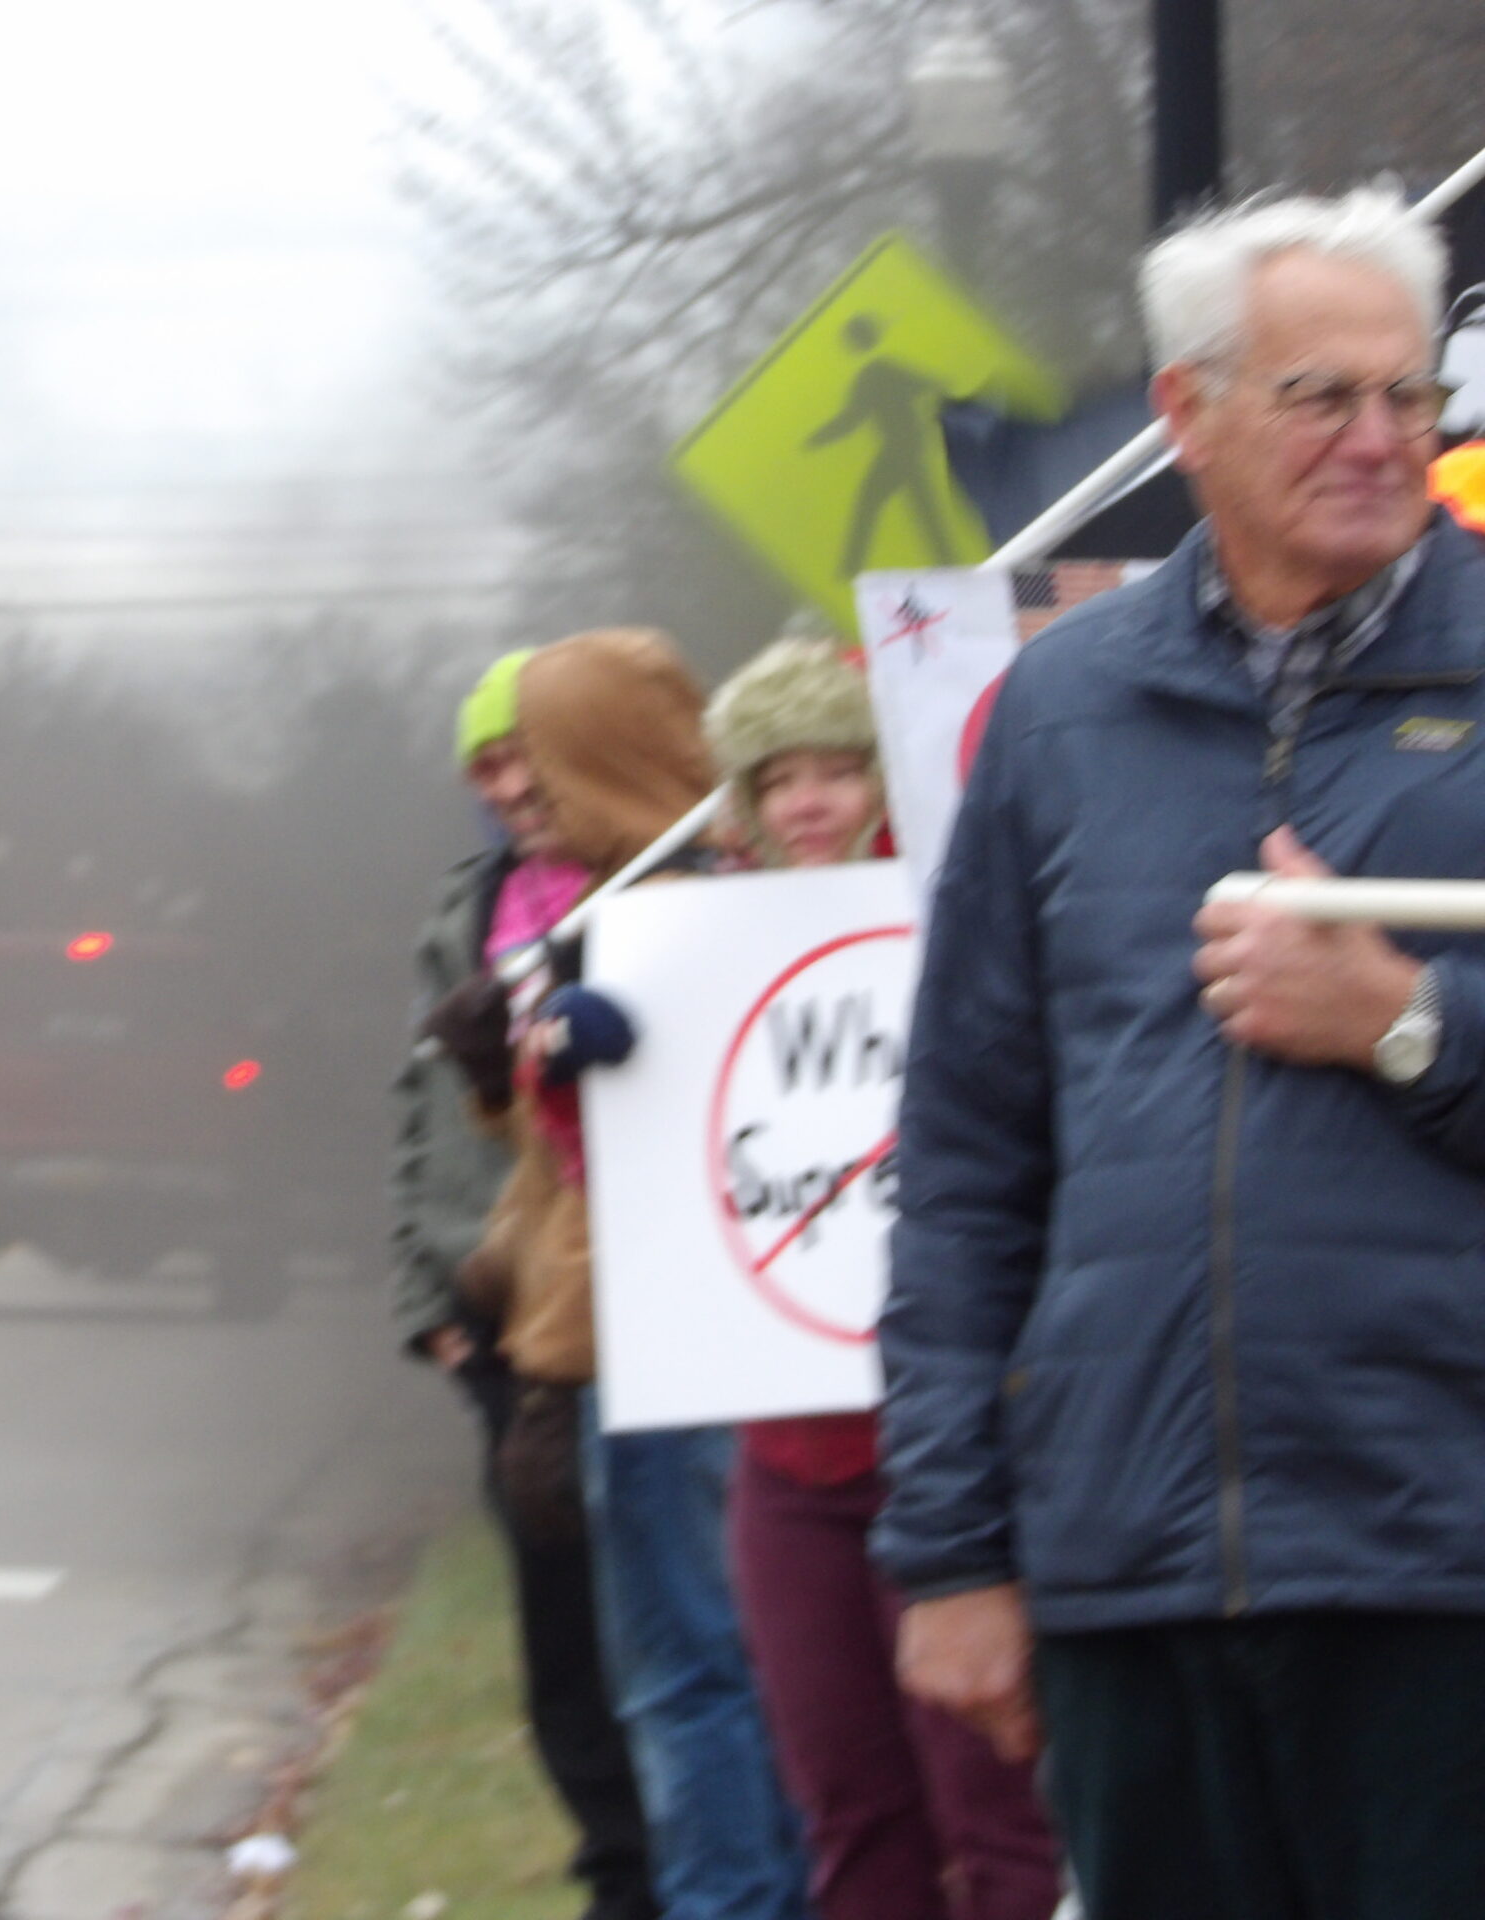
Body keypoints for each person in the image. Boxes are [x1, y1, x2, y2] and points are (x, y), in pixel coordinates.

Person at [877, 186, 1485, 1919]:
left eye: (1408, 396)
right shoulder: (1065, 710)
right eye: (1323, 397)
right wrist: (951, 1552)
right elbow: (968, 1156)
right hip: (1131, 1575)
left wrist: (1412, 1026)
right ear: (1185, 410)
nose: (1383, 440)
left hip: (1444, 1567)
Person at [443, 629, 813, 1920]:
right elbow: (548, 1160)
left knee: (707, 1667)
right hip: (598, 1333)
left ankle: (743, 1900)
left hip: (691, 1331)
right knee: (673, 1665)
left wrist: (630, 1030)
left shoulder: (715, 899)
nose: (512, 788)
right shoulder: (547, 904)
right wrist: (505, 1070)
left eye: (534, 754)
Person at [699, 637, 1061, 1920]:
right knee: (849, 1815)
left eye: (837, 769)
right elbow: (646, 1205)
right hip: (786, 1463)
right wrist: (570, 1069)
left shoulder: (969, 915)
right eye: (777, 778)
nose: (808, 803)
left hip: (951, 1449)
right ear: (740, 805)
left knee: (1000, 1817)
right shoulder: (687, 958)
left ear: (885, 779)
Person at [389, 648, 659, 1920]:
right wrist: (429, 1306)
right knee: (558, 1636)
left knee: (664, 1628)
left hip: (637, 1307)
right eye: (483, 765)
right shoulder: (470, 912)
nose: (504, 784)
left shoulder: (658, 881)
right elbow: (427, 1112)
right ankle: (615, 1869)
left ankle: (677, 1870)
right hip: (500, 1314)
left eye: (519, 754)